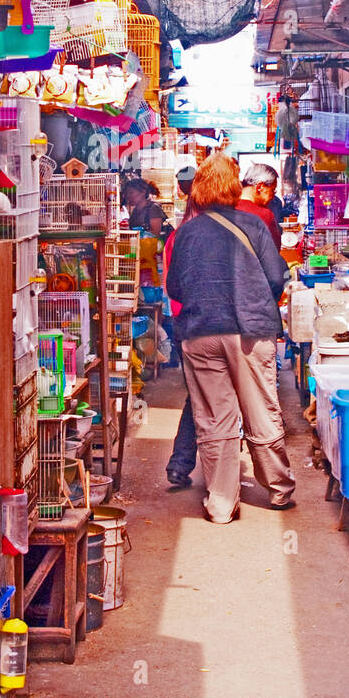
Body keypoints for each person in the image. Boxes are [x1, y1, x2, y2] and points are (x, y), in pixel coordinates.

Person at [166, 153, 296, 523]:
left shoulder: (186, 232)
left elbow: (175, 287)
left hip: (200, 333)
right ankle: (279, 490)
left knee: (214, 419)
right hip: (249, 333)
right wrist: (256, 303)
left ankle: (222, 503)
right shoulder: (254, 224)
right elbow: (275, 277)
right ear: (234, 185)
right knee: (261, 411)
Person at [162, 190, 200, 488]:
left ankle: (180, 464)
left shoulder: (178, 235)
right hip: (202, 321)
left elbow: (171, 285)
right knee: (210, 396)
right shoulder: (201, 235)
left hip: (182, 321)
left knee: (197, 395)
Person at [238, 163, 282, 249]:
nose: (273, 196)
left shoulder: (226, 207)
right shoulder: (264, 215)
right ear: (259, 187)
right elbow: (274, 250)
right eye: (272, 190)